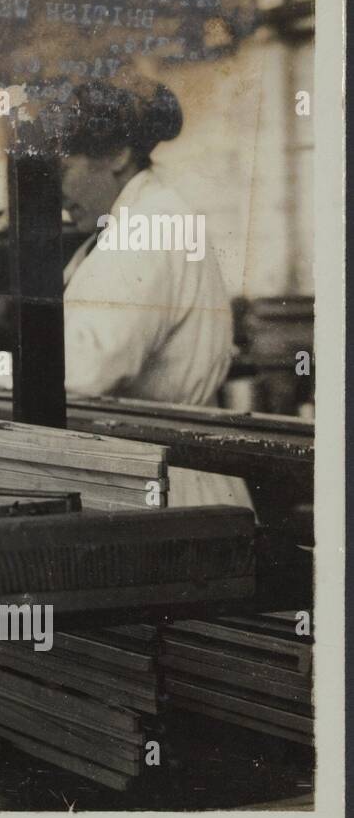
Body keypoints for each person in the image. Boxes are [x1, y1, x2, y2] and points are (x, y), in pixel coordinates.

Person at [56, 74, 250, 508]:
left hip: (168, 490)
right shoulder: (145, 219)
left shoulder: (147, 228)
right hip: (169, 480)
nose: (58, 190)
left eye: (65, 168)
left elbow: (82, 371)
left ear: (119, 155)